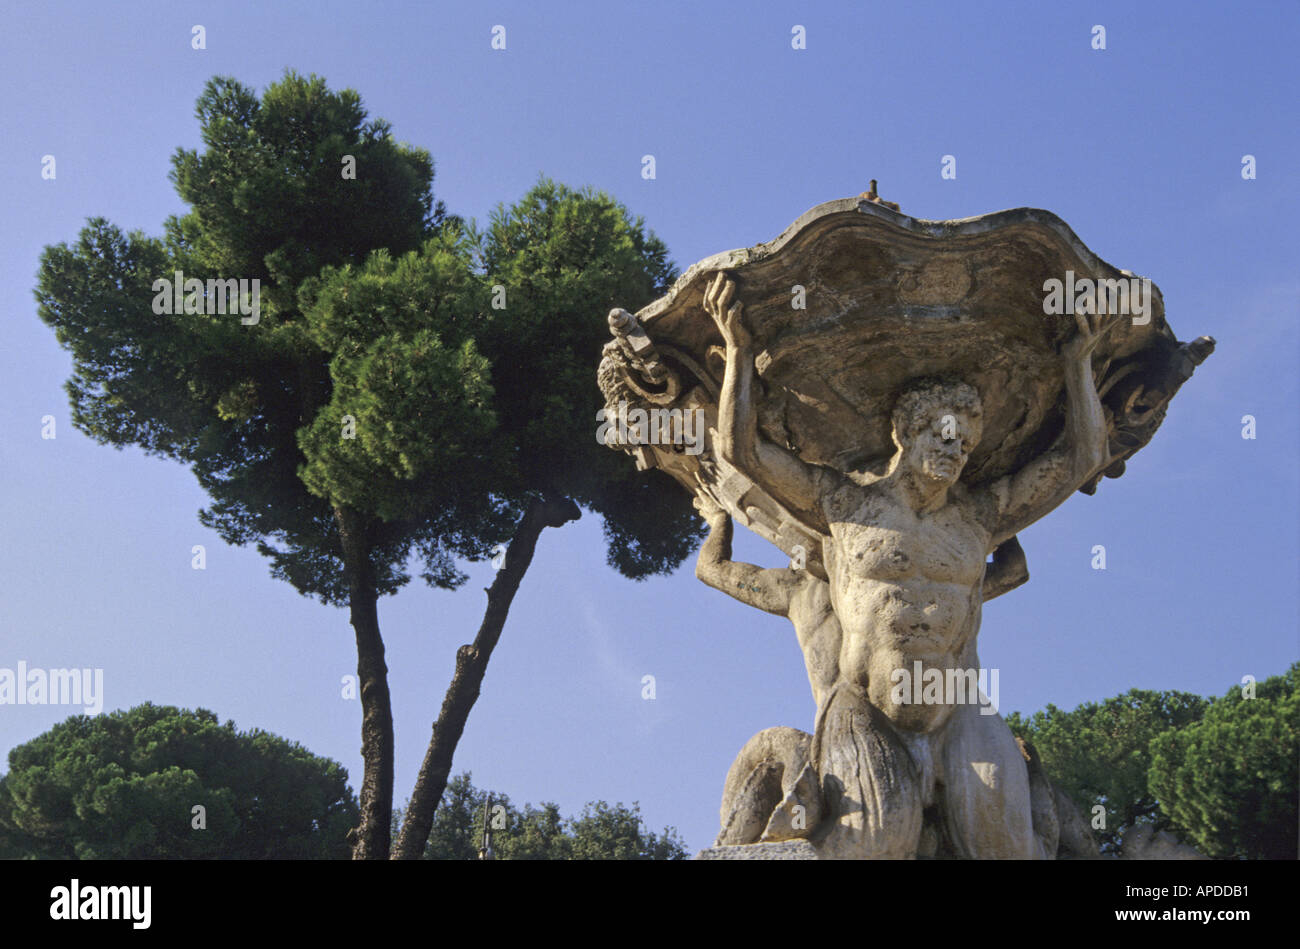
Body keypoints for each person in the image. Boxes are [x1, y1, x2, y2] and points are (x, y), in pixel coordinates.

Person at [703, 270, 1114, 858]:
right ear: (906, 430)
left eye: (967, 444)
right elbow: (740, 450)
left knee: (1009, 852)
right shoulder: (845, 504)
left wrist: (1078, 363)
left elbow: (1081, 458)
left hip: (960, 711)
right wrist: (739, 352)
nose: (955, 450)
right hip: (869, 711)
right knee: (869, 847)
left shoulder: (981, 515)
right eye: (944, 435)